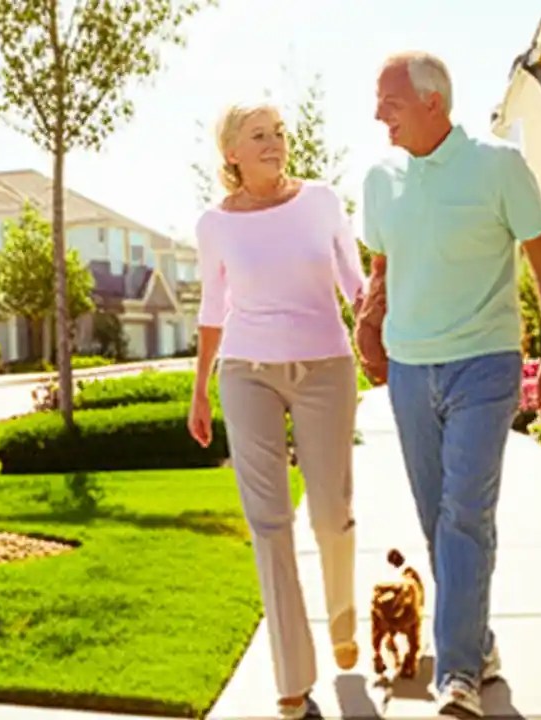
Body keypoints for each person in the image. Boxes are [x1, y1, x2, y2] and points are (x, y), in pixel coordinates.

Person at [354, 51, 541, 718]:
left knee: (465, 516)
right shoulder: (380, 178)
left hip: (484, 362)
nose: (378, 115)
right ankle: (478, 644)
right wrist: (369, 323)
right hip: (410, 369)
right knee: (440, 521)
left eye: (390, 101)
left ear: (433, 102)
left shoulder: (497, 166)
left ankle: (456, 677)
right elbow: (383, 266)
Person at [187, 101, 367, 720]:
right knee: (268, 524)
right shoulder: (215, 224)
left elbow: (355, 281)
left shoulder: (321, 200)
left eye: (279, 133)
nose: (274, 143)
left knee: (331, 513)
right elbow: (213, 307)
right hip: (247, 371)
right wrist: (200, 387)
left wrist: (376, 325)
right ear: (231, 153)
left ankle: (342, 618)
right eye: (258, 135)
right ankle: (293, 680)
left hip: (326, 367)